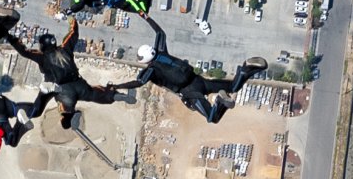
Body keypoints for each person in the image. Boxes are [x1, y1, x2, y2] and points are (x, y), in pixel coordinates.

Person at [108, 17, 268, 123]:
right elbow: (159, 32)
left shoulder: (151, 71)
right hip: (199, 80)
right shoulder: (161, 52)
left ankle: (220, 102)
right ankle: (247, 69)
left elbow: (137, 82)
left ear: (144, 60)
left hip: (190, 93)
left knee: (212, 118)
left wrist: (117, 87)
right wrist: (146, 16)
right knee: (234, 86)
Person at [8, 18, 121, 130]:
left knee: (59, 113)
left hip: (60, 89)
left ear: (42, 46)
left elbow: (24, 51)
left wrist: (10, 38)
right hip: (78, 84)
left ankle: (62, 117)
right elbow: (73, 33)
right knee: (95, 94)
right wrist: (73, 21)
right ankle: (114, 95)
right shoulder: (65, 48)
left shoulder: (42, 57)